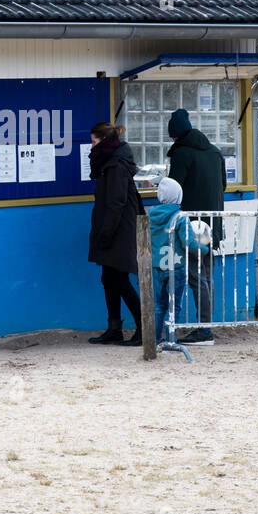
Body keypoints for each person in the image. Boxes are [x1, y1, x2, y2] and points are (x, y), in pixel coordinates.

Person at [166, 108, 226, 346]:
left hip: (194, 227)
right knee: (206, 276)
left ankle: (204, 331)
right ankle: (205, 326)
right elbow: (222, 185)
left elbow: (174, 190)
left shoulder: (182, 154)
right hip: (213, 225)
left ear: (175, 135)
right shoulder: (215, 152)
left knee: (196, 276)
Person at [87, 121, 146, 346]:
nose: (91, 148)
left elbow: (116, 204)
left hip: (118, 232)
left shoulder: (115, 167)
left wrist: (105, 235)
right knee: (109, 278)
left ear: (104, 141)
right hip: (114, 230)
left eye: (94, 142)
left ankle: (143, 327)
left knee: (119, 280)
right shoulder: (110, 164)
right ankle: (114, 328)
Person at [149, 177, 210, 342]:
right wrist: (204, 249)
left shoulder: (151, 216)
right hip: (176, 267)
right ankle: (171, 339)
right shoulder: (180, 217)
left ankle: (154, 340)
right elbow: (188, 243)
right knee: (174, 306)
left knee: (159, 305)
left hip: (157, 267)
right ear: (178, 196)